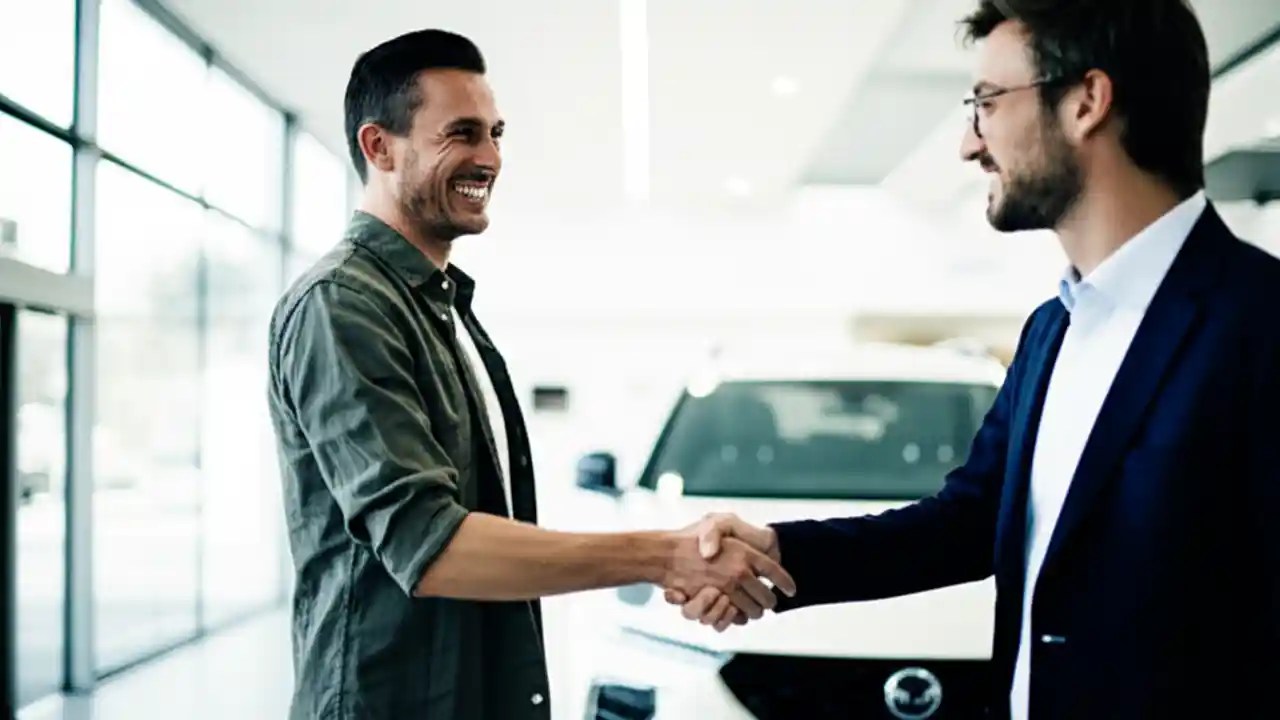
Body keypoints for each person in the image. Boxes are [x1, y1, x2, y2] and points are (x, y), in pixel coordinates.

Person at [669, 1, 1280, 718]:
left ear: (1087, 102)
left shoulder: (1259, 326)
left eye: (986, 102)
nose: (968, 143)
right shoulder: (1052, 330)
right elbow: (967, 523)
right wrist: (776, 551)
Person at [266, 29, 794, 720]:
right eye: (462, 134)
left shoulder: (445, 308)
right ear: (379, 146)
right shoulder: (342, 306)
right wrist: (664, 555)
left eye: (495, 133)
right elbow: (432, 547)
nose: (489, 158)